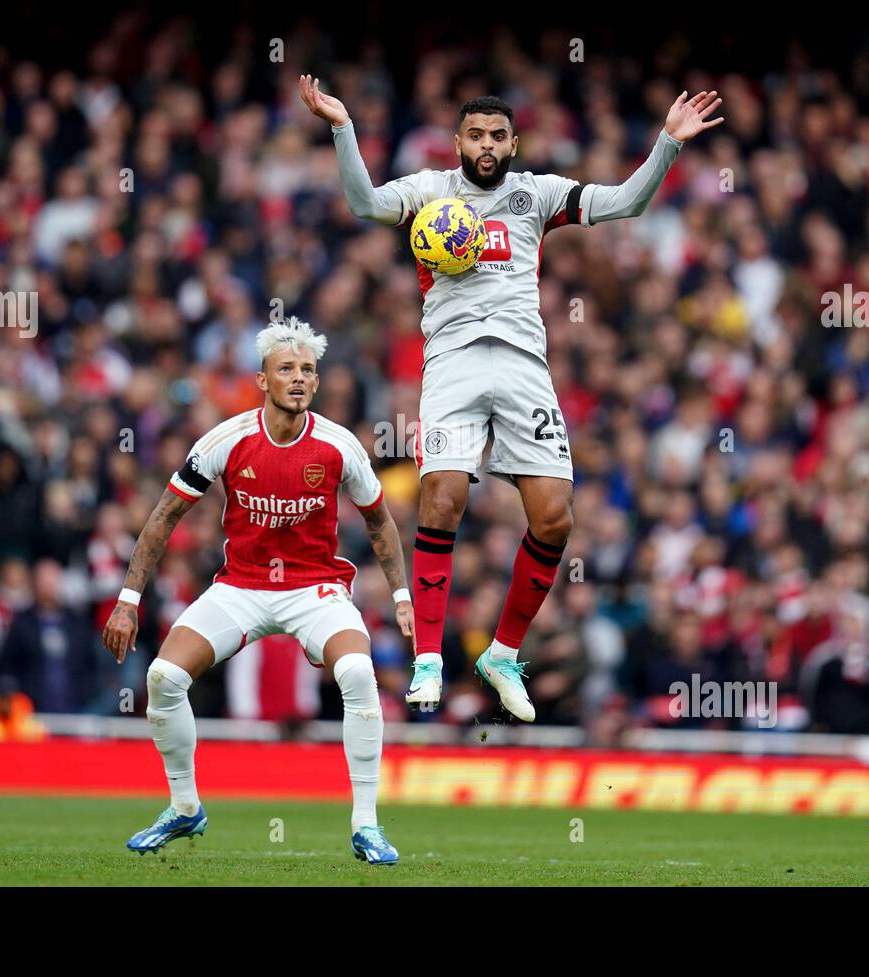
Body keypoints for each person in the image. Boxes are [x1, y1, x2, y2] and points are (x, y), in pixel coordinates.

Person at [301, 75, 723, 720]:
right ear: (459, 142)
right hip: (453, 359)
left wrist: (667, 143)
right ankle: (430, 660)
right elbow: (363, 204)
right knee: (443, 494)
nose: (488, 145)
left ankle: (502, 655)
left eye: (498, 135)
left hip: (526, 364)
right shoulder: (430, 191)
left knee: (555, 517)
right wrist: (342, 127)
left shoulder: (538, 194)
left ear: (514, 141)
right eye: (476, 135)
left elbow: (624, 204)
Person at [102, 318, 414, 864]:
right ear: (263, 380)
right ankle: (184, 807)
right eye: (286, 369)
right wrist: (128, 601)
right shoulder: (226, 440)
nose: (298, 378)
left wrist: (402, 597)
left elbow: (380, 522)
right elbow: (163, 517)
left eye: (308, 370)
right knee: (163, 677)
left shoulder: (341, 447)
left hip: (314, 587)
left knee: (359, 674)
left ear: (317, 383)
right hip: (241, 585)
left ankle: (366, 825)